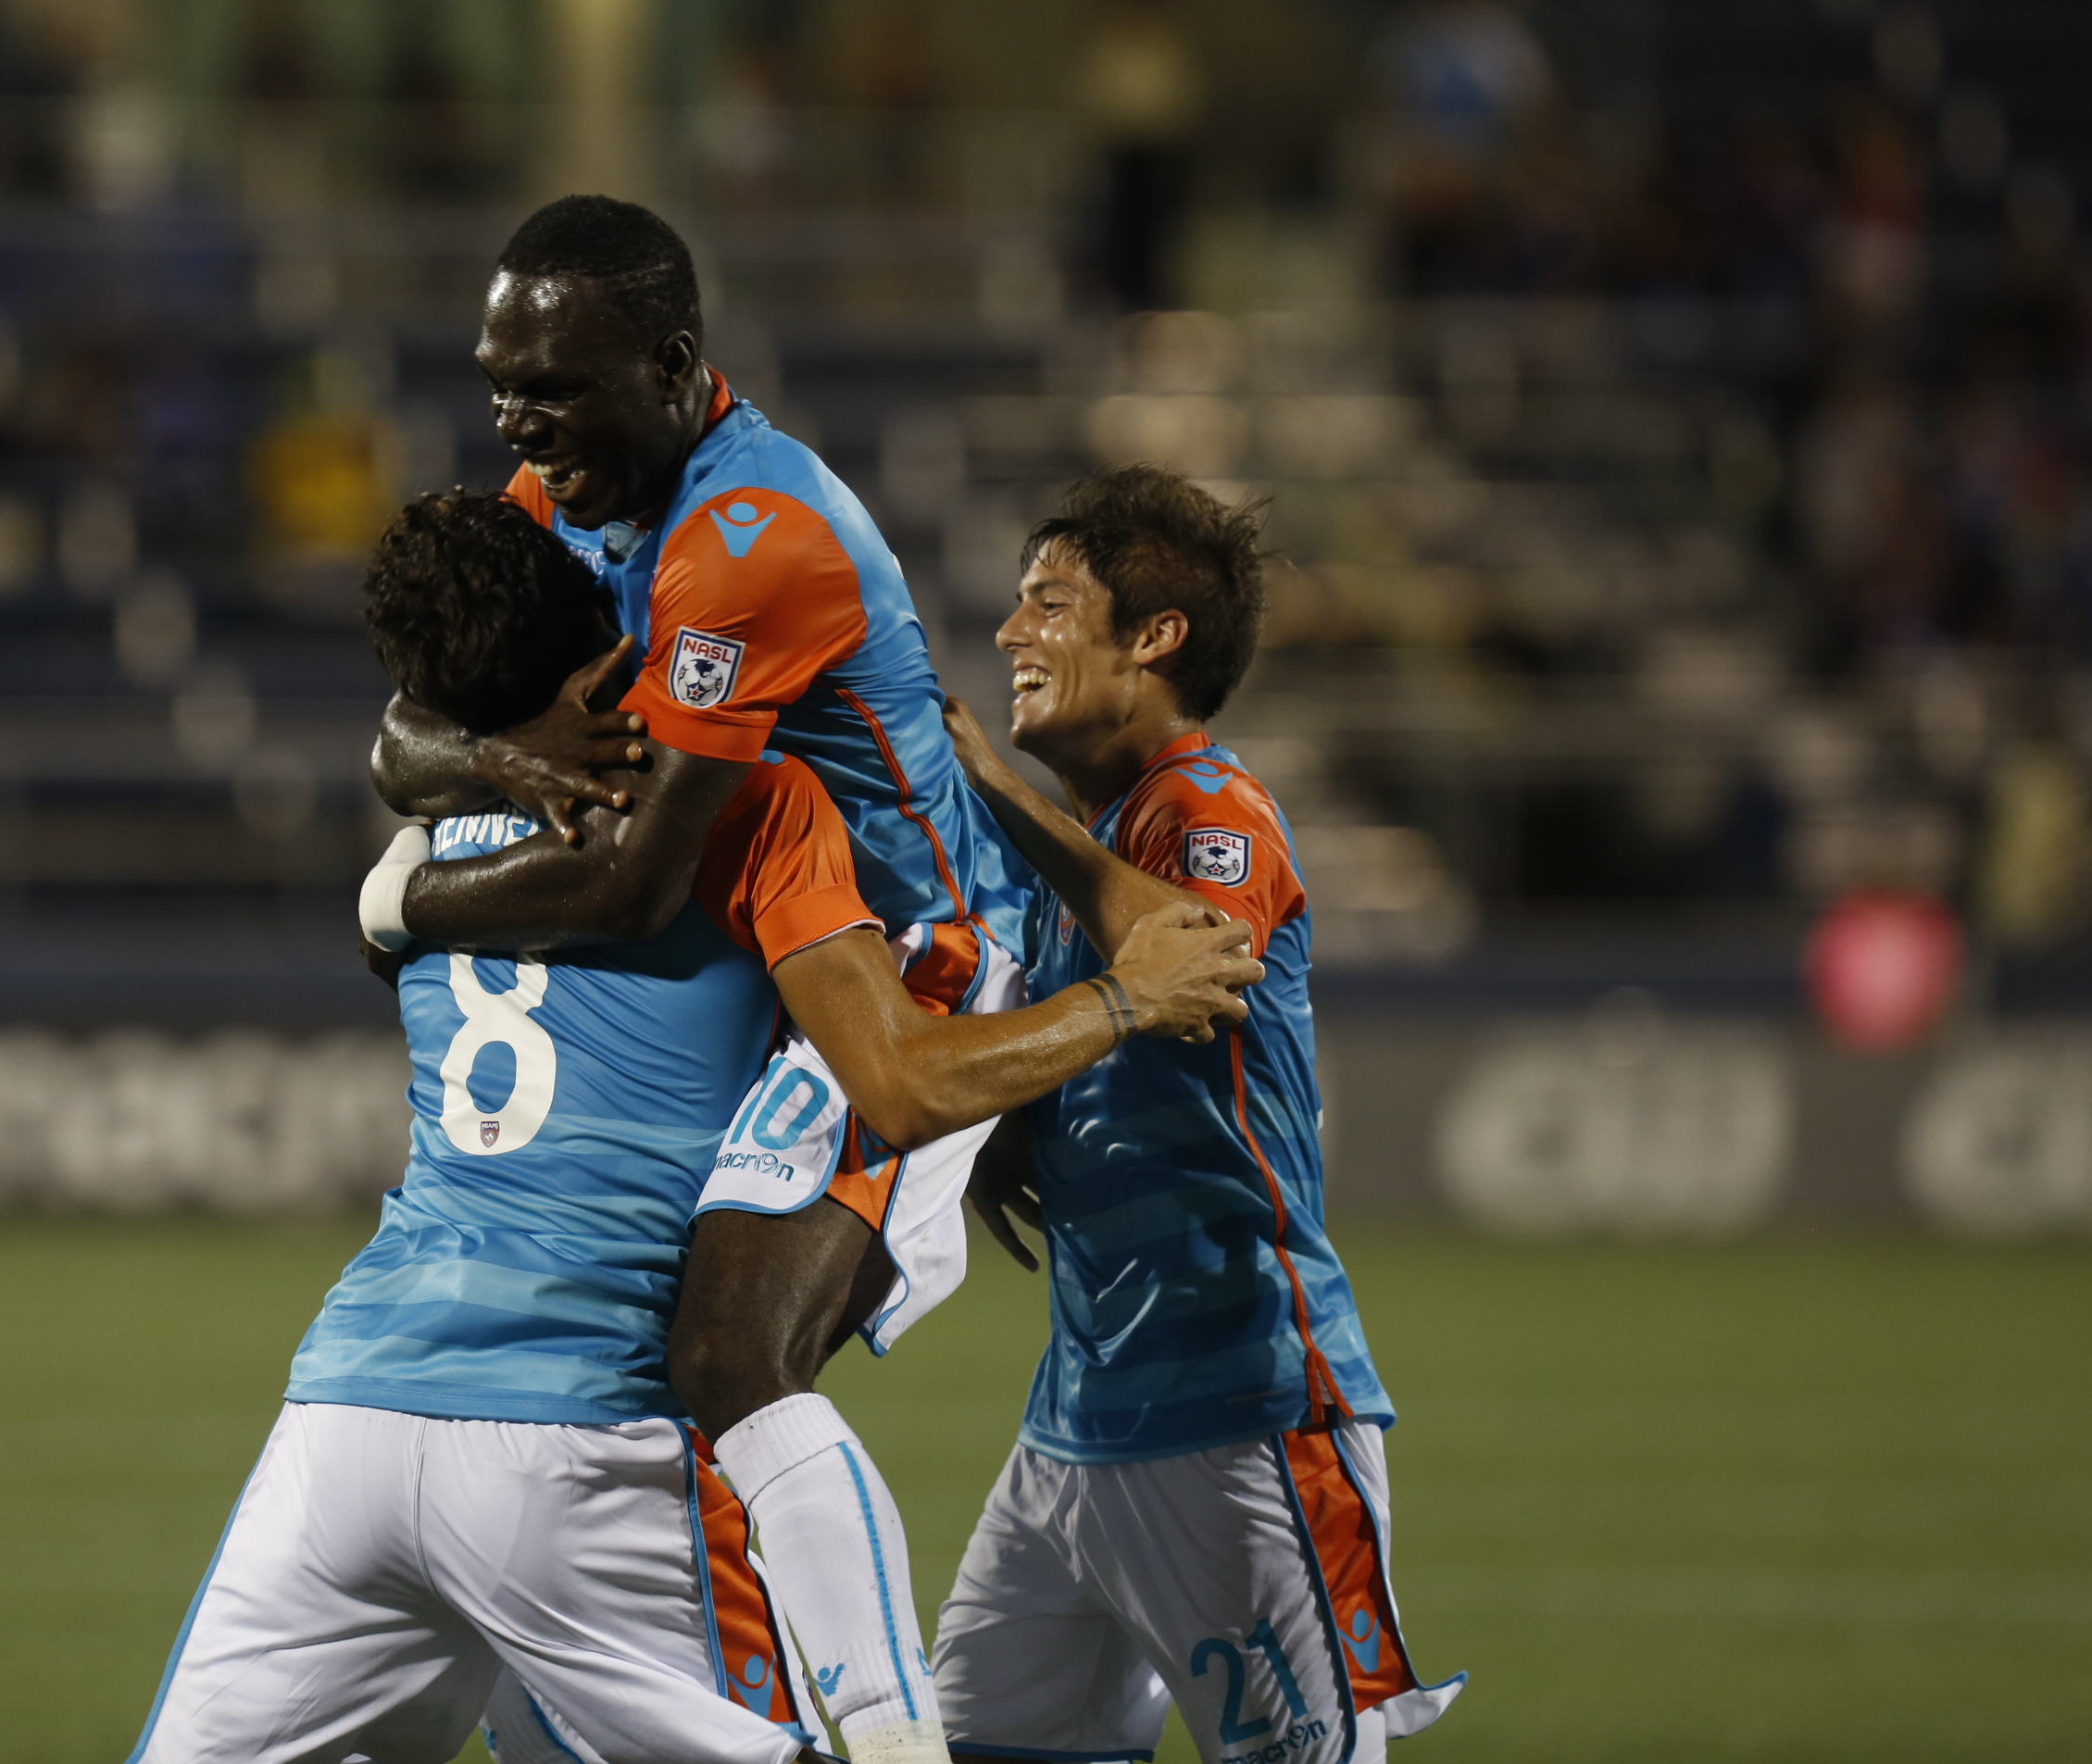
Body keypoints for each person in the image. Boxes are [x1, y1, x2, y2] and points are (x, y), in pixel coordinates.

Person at [128, 492, 1261, 1764]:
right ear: (613, 653)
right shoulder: (750, 807)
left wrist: (396, 876)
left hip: (343, 1424)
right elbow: (893, 1079)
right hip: (578, 1427)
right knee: (746, 1376)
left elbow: (394, 883)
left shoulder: (431, 852)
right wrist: (1118, 998)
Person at [359, 195, 1034, 1764]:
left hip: (900, 955)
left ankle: (891, 1743)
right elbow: (401, 733)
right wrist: (498, 753)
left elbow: (634, 875)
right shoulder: (558, 492)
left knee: (727, 1353)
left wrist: (406, 899)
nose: (520, 424)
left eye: (559, 386)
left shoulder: (753, 537)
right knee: (616, 1382)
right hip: (755, 949)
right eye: (501, 384)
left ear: (674, 365)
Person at [933, 468, 1465, 1764]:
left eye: (1051, 604)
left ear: (1154, 639)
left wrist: (995, 792)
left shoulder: (1204, 808)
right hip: (1077, 1424)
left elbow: (1192, 955)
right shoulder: (1094, 842)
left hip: (1242, 1417)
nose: (1011, 635)